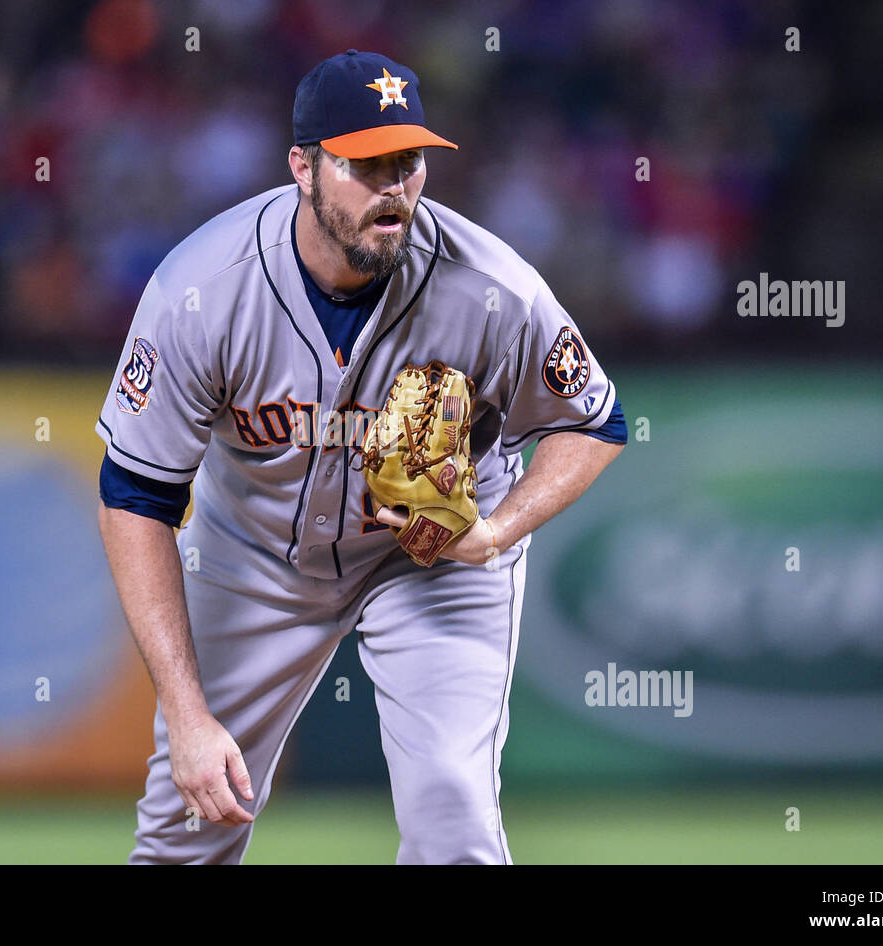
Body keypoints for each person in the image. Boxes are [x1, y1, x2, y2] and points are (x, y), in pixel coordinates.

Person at [96, 50, 627, 864]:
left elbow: (593, 420)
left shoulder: (491, 287)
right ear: (302, 167)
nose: (394, 186)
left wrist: (497, 530)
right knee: (189, 818)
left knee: (453, 809)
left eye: (408, 162)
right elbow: (134, 494)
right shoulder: (203, 290)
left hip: (434, 558)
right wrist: (187, 709)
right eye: (365, 164)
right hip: (254, 553)